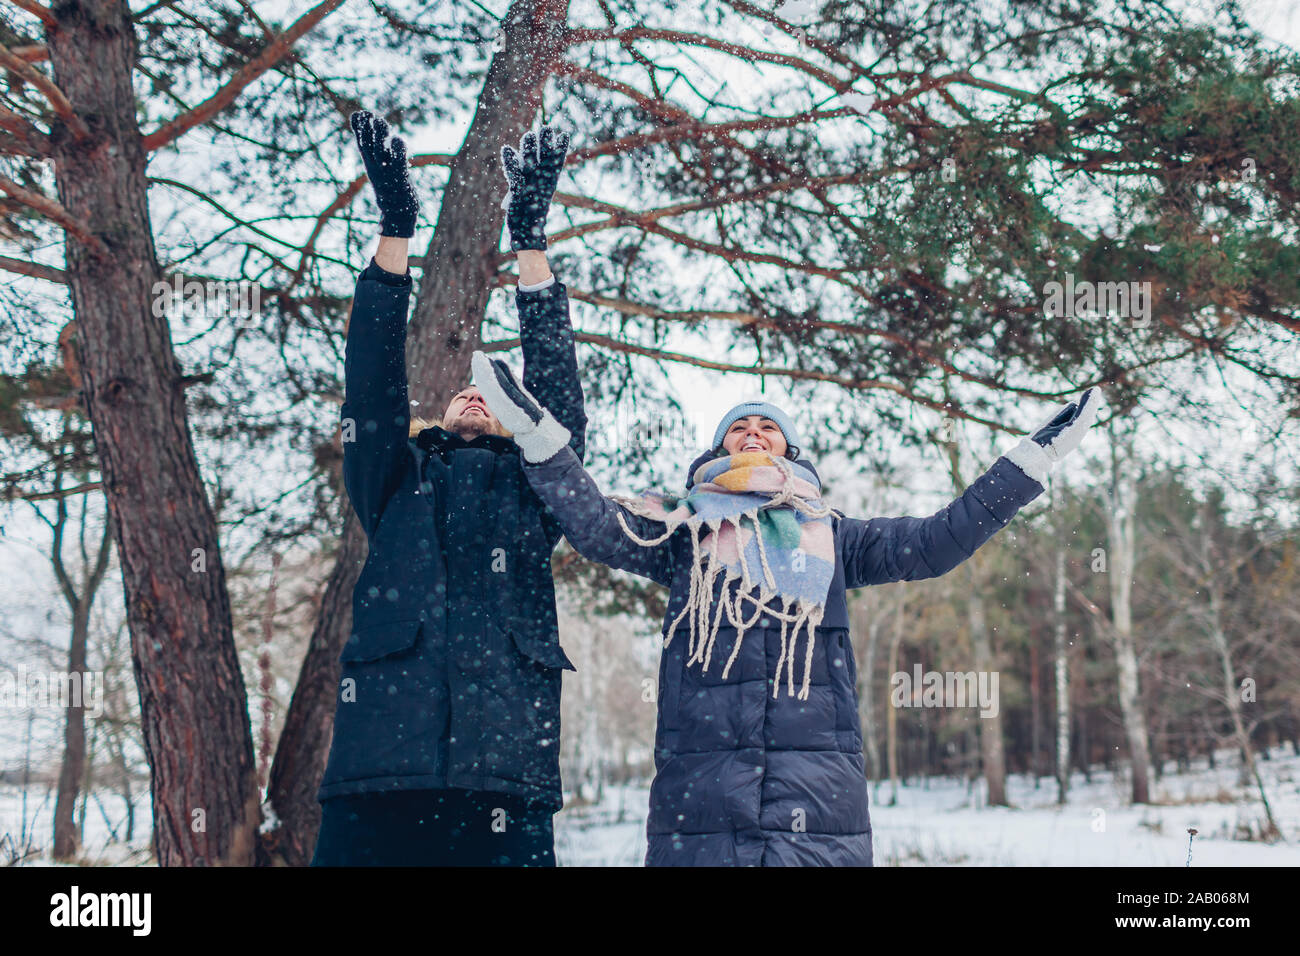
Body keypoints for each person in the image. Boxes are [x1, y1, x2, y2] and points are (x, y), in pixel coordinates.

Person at [471, 352, 1101, 866]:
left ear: (789, 454)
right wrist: (537, 437)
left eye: (767, 427)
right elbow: (595, 524)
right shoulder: (682, 532)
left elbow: (936, 542)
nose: (752, 433)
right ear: (717, 452)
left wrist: (1028, 464)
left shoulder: (834, 537)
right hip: (703, 806)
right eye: (738, 429)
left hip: (819, 812)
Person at [310, 112, 586, 866]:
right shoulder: (395, 480)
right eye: (464, 388)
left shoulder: (539, 490)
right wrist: (394, 233)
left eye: (491, 393)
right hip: (375, 781)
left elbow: (558, 393)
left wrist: (529, 242)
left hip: (503, 783)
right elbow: (370, 384)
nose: (475, 393)